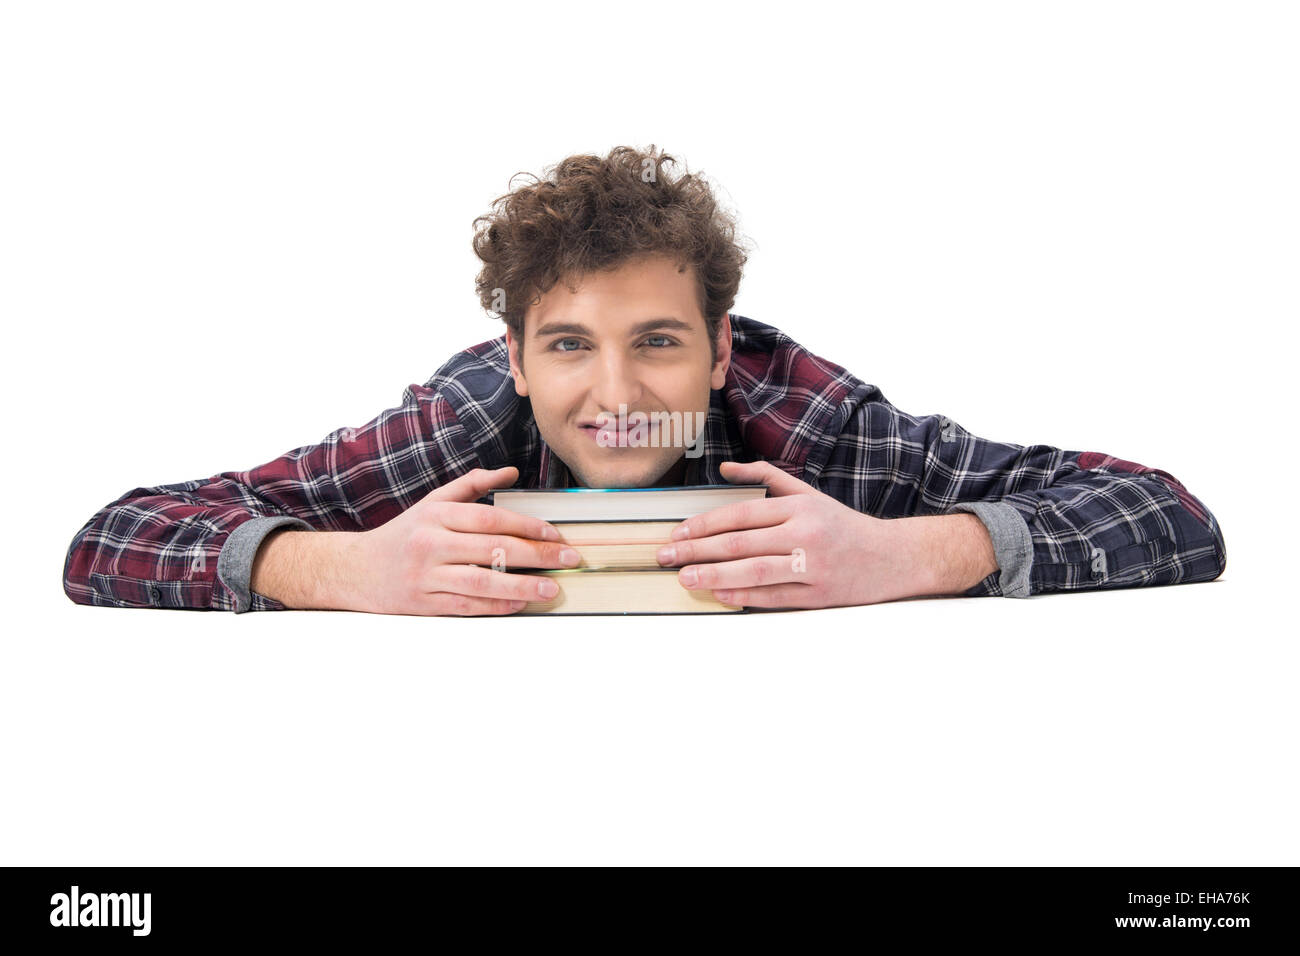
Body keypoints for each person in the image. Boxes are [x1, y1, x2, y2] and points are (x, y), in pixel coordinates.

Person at [62, 145, 1227, 615]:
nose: (614, 390)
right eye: (568, 345)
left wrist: (911, 550)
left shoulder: (800, 413)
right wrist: (340, 564)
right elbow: (111, 538)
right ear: (514, 357)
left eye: (659, 341)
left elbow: (1170, 512)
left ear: (721, 348)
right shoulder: (469, 418)